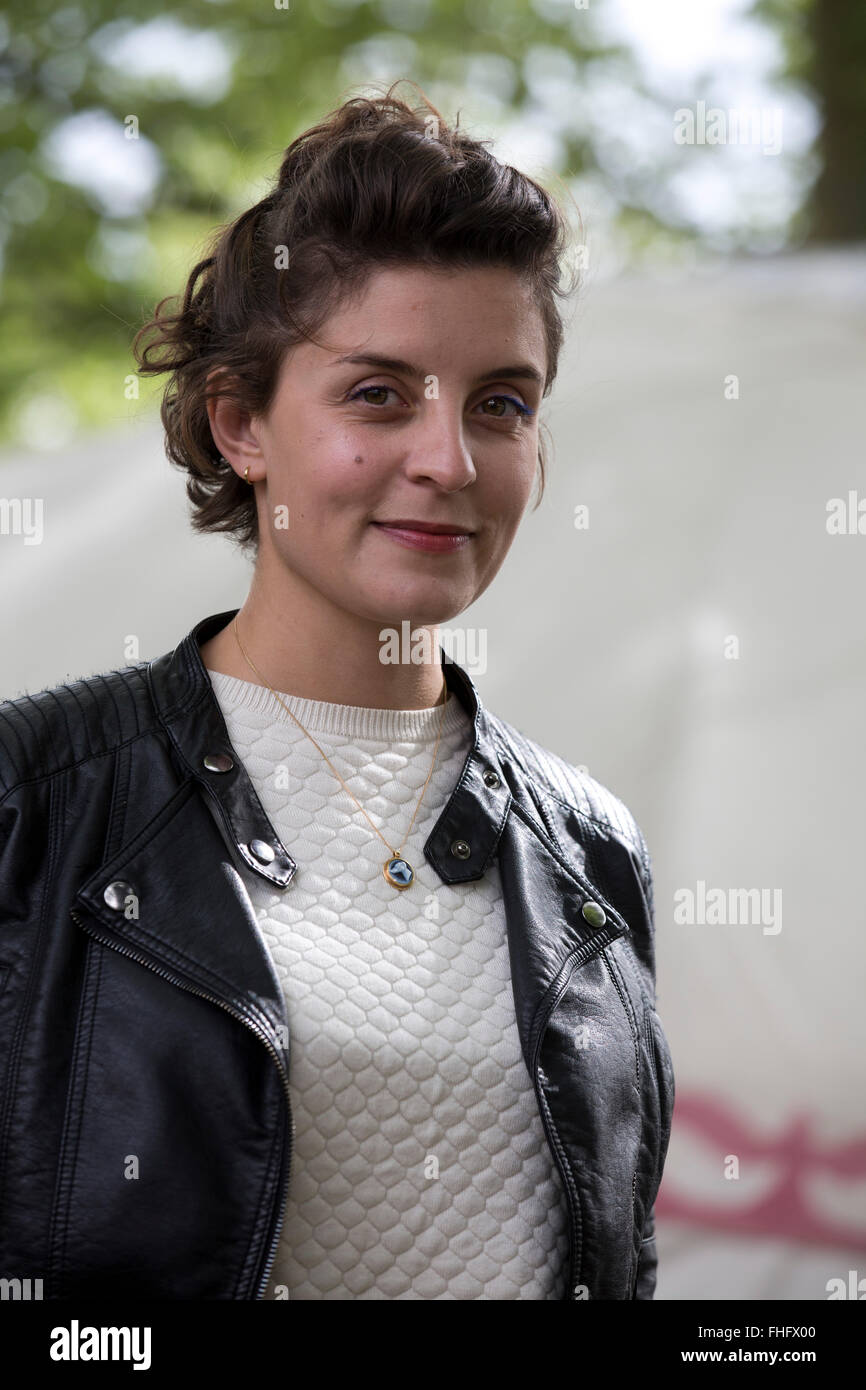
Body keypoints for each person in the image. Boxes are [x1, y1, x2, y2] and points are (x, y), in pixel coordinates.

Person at [0, 83, 674, 1300]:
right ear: (239, 423)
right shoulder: (30, 802)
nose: (448, 460)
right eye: (377, 392)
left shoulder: (592, 849)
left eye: (501, 404)